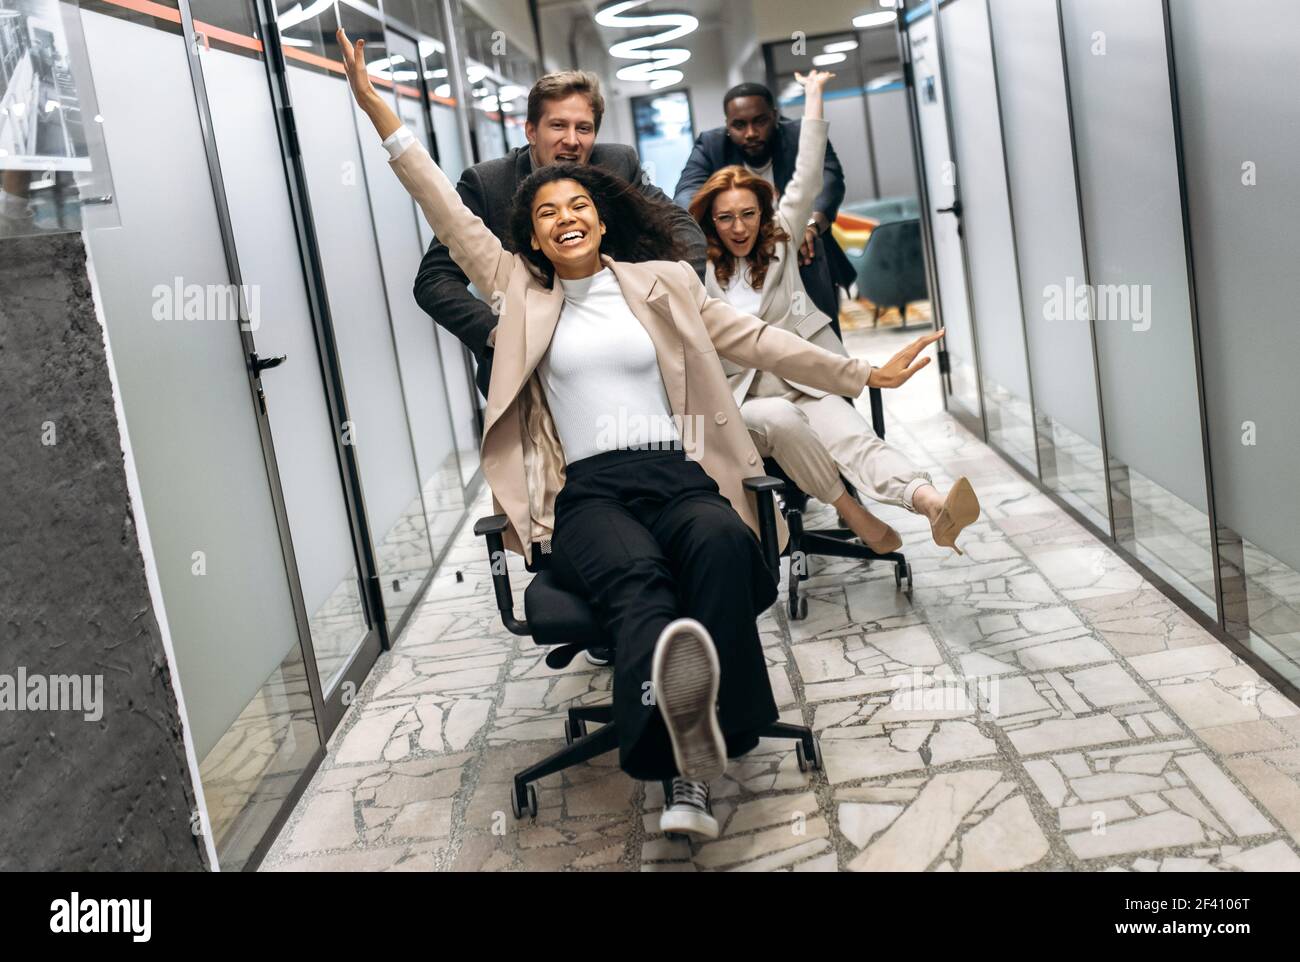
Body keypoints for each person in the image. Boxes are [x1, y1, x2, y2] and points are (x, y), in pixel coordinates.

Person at [339, 28, 938, 841]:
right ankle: (681, 777)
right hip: (590, 490)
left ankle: (712, 720)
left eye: (577, 205)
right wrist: (381, 114)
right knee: (640, 584)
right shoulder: (520, 292)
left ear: (603, 216)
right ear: (533, 237)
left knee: (725, 549)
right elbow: (448, 214)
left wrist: (862, 374)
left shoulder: (661, 283)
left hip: (679, 472)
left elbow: (758, 340)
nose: (564, 219)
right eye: (546, 215)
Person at [688, 70, 981, 556]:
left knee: (853, 437)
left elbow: (807, 172)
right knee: (782, 421)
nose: (739, 227)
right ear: (709, 221)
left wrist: (814, 95)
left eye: (748, 214)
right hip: (740, 398)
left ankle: (931, 503)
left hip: (802, 379)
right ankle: (851, 510)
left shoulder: (781, 241)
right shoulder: (696, 271)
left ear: (764, 214)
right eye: (725, 217)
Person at [415, 69, 707, 401]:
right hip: (533, 372)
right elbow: (434, 280)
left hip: (621, 351)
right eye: (558, 126)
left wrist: (675, 300)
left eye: (584, 128)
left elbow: (679, 227)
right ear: (531, 132)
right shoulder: (487, 184)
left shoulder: (616, 162)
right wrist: (498, 333)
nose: (572, 139)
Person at [673, 81, 857, 333]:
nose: (750, 133)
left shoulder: (796, 135)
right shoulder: (711, 144)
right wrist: (711, 227)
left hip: (798, 241)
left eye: (760, 122)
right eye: (739, 125)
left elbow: (827, 180)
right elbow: (686, 193)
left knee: (809, 253)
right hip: (737, 251)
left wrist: (810, 225)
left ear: (775, 117)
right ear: (728, 125)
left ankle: (821, 341)